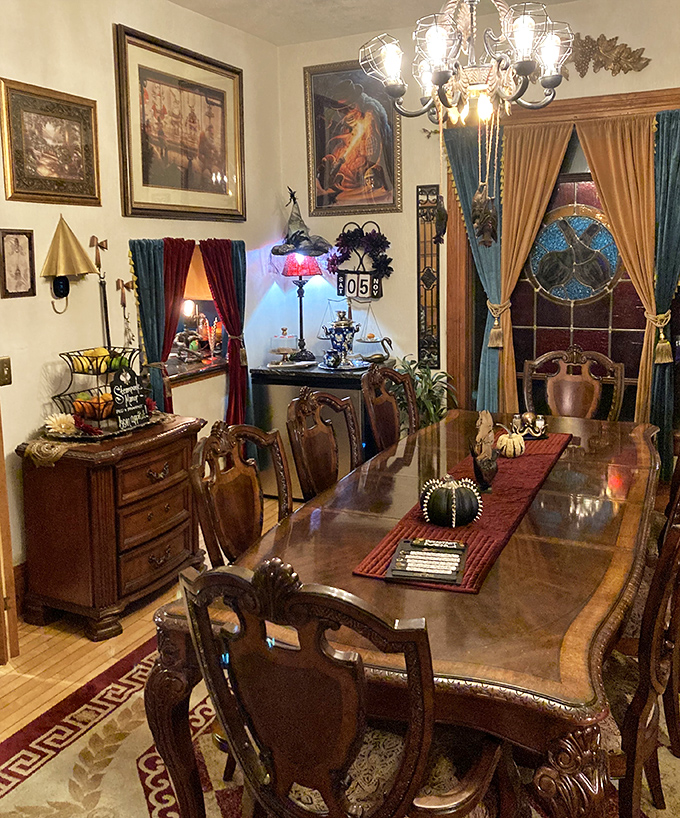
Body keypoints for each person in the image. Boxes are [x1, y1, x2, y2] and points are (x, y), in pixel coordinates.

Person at [316, 79, 393, 206]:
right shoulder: (347, 126)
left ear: (358, 103)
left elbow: (376, 155)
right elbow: (344, 147)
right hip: (347, 182)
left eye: (350, 108)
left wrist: (375, 169)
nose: (347, 115)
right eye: (342, 111)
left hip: (366, 183)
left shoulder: (370, 117)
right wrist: (331, 160)